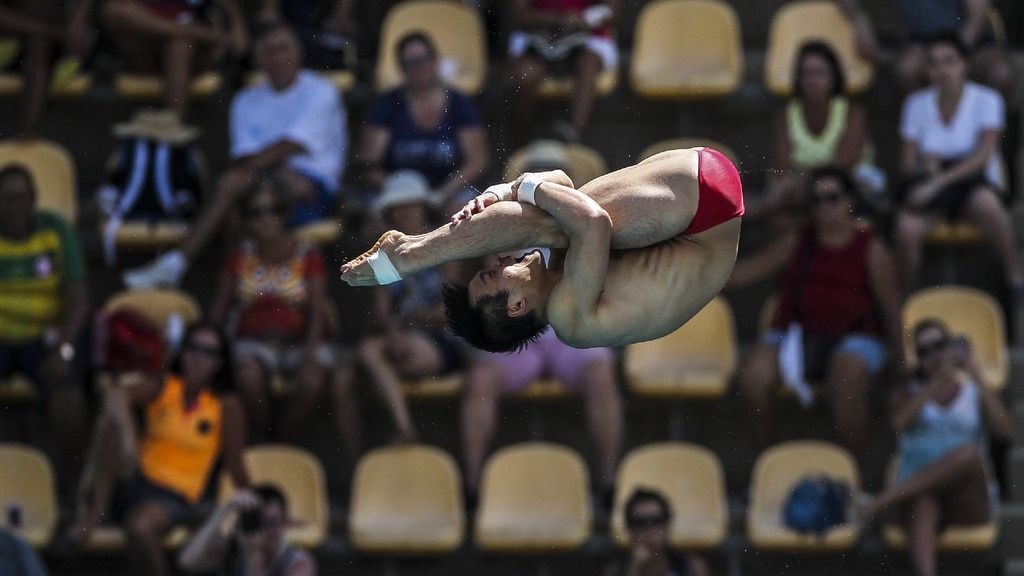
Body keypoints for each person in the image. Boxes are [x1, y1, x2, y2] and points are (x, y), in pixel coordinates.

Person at [341, 146, 744, 353]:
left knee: (555, 214)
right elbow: (592, 222)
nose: (498, 261)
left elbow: (562, 181)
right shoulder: (570, 319)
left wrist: (500, 191)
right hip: (706, 212)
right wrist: (519, 189)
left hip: (693, 191)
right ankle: (415, 254)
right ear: (516, 306)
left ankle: (416, 251)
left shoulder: (559, 275)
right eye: (490, 275)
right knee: (565, 222)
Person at [124, 22, 347, 289]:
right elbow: (246, 158)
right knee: (234, 213)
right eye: (269, 52)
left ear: (298, 53)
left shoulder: (322, 92)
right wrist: (256, 173)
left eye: (283, 49)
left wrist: (252, 173)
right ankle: (242, 297)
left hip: (315, 191)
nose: (277, 58)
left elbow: (287, 147)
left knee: (234, 190)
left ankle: (179, 264)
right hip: (262, 184)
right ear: (258, 59)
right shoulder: (245, 100)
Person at [729, 167, 902, 468]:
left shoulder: (871, 249)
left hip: (857, 338)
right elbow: (745, 274)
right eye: (817, 201)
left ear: (850, 201)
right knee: (752, 376)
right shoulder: (797, 241)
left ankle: (854, 473)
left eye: (832, 198)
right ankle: (766, 464)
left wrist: (900, 366)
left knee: (847, 374)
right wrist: (697, 267)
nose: (825, 207)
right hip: (796, 336)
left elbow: (891, 309)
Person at [68, 324, 250, 576]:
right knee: (110, 426)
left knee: (141, 527)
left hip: (177, 494)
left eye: (209, 352)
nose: (199, 358)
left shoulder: (224, 405)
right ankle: (95, 513)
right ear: (182, 352)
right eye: (193, 348)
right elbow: (116, 395)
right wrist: (129, 435)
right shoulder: (164, 386)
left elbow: (235, 463)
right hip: (136, 477)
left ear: (219, 362)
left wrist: (261, 501)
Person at [858, 319, 1015, 576]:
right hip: (919, 494)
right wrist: (934, 384)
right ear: (918, 359)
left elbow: (1007, 431)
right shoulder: (908, 391)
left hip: (968, 498)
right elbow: (898, 422)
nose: (933, 355)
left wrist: (975, 373)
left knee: (968, 455)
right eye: (924, 351)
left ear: (952, 347)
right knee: (924, 502)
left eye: (939, 346)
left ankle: (880, 502)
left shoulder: (972, 391)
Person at [893, 33, 1022, 294]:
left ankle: (1015, 280)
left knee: (989, 206)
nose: (942, 70)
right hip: (932, 185)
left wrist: (939, 179)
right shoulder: (915, 104)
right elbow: (907, 163)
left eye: (949, 61)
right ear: (926, 70)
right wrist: (924, 168)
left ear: (965, 64)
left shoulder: (987, 100)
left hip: (972, 182)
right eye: (934, 63)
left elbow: (983, 155)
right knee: (906, 229)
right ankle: (904, 300)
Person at [461, 298, 623, 496]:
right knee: (481, 378)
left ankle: (609, 483)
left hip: (572, 332)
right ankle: (472, 485)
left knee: (600, 374)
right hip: (516, 336)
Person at [209, 180, 331, 441]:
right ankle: (268, 439)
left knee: (313, 383)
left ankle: (285, 442)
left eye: (274, 210)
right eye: (256, 212)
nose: (266, 219)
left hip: (297, 343)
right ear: (246, 220)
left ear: (284, 214)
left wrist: (309, 355)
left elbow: (317, 312)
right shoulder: (238, 257)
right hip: (251, 342)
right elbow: (221, 306)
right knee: (248, 378)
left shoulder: (308, 255)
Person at [357, 171, 467, 441]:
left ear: (424, 208)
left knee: (363, 371)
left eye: (411, 205)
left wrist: (411, 321)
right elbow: (381, 312)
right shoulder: (384, 256)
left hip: (441, 341)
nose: (405, 212)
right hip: (399, 341)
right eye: (398, 207)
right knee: (369, 351)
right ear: (389, 213)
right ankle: (405, 428)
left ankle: (399, 425)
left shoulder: (445, 247)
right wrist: (394, 334)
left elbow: (449, 313)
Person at [0, 164, 89, 497]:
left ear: (34, 199)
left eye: (21, 197)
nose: (14, 206)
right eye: (6, 199)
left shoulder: (56, 230)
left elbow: (79, 299)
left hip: (45, 339)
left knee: (67, 393)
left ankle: (73, 482)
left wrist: (63, 349)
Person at [359, 32, 488, 212]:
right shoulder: (387, 105)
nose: (418, 67)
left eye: (423, 59)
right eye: (410, 63)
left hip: (451, 192)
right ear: (401, 68)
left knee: (463, 213)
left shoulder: (460, 104)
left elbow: (476, 161)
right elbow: (369, 165)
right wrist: (407, 194)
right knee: (393, 216)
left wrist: (442, 194)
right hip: (399, 194)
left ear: (436, 61)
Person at [752, 42, 869, 224]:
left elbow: (843, 163)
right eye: (807, 74)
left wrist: (802, 178)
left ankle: (749, 211)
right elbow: (783, 163)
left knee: (781, 198)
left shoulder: (853, 112)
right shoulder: (785, 115)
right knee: (780, 220)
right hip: (799, 194)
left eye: (820, 73)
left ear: (834, 77)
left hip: (842, 190)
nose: (813, 81)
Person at [96, 0, 248, 117]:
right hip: (143, 54)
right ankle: (201, 34)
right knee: (116, 11)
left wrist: (237, 25)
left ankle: (172, 130)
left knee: (179, 48)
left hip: (190, 54)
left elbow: (237, 35)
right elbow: (115, 11)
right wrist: (207, 35)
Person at [505, 0, 621, 144]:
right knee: (525, 75)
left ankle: (573, 138)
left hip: (587, 36)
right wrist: (557, 19)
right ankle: (519, 145)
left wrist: (583, 19)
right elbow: (518, 13)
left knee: (588, 65)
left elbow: (612, 11)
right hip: (537, 35)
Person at [841, 0, 1012, 97]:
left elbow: (977, 15)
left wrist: (953, 55)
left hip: (971, 41)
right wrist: (858, 19)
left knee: (999, 72)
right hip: (923, 41)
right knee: (906, 70)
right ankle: (928, 138)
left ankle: (989, 145)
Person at [178, 484, 316, 576]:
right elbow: (187, 562)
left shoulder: (297, 562)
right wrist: (225, 509)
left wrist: (254, 558)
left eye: (271, 523)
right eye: (258, 523)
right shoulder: (234, 547)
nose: (264, 531)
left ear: (285, 523)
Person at [0, 0, 92, 135]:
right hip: (12, 45)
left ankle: (27, 136)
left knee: (39, 46)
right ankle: (27, 136)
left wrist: (75, 24)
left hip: (60, 51)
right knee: (38, 44)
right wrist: (50, 31)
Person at [602, 488, 710, 576]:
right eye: (640, 522)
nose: (649, 530)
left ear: (667, 525)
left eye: (656, 521)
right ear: (629, 530)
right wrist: (634, 570)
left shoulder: (692, 567)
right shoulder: (614, 571)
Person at [256, 0, 357, 72]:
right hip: (289, 27)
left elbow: (339, 22)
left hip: (322, 32)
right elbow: (270, 13)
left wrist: (340, 16)